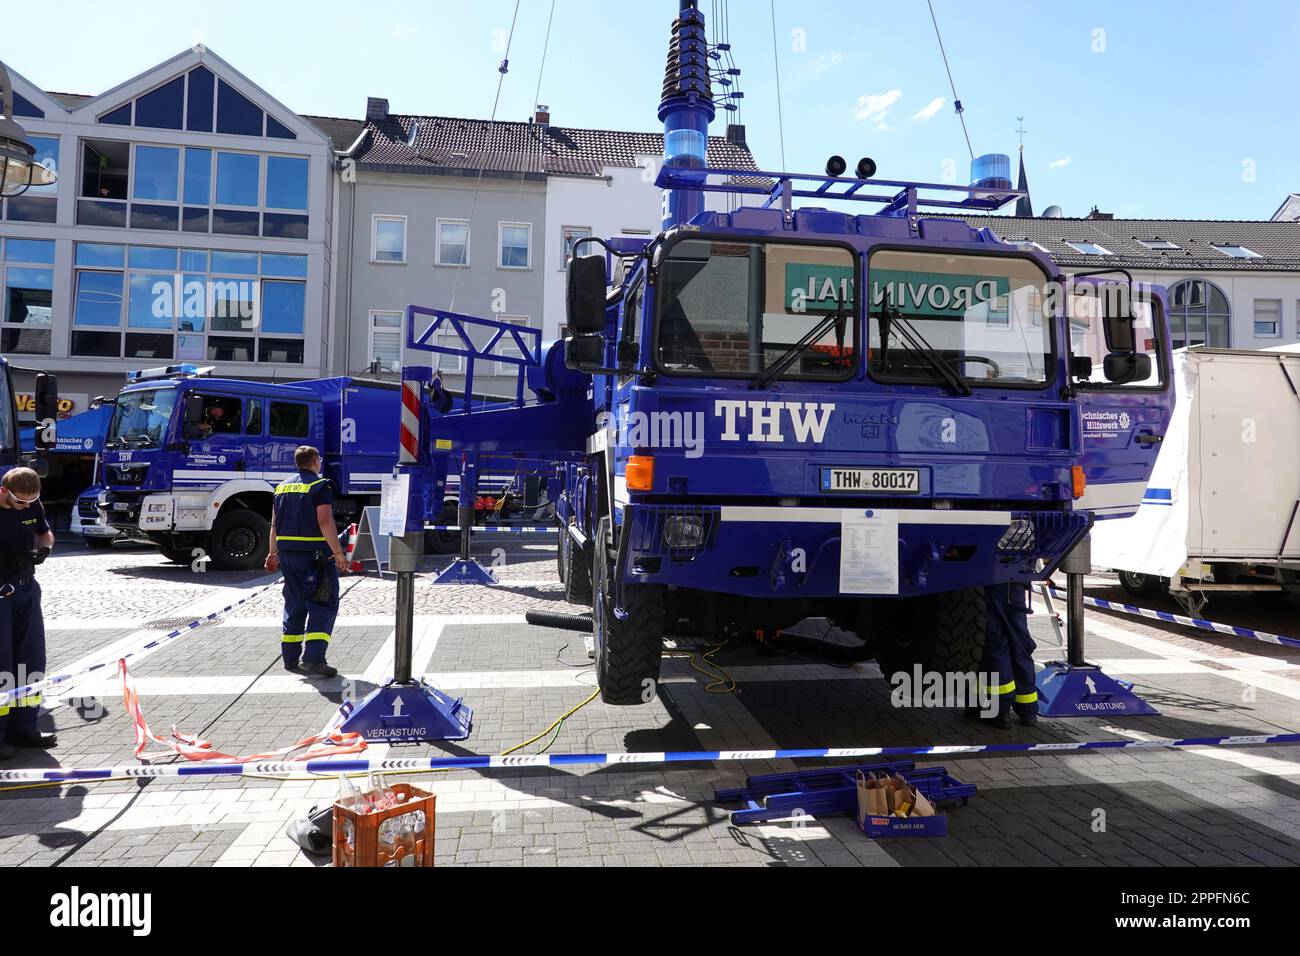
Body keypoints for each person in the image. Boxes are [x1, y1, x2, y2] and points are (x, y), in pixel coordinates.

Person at [265, 446, 347, 679]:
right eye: (319, 459)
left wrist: (272, 554)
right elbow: (324, 519)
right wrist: (338, 553)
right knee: (323, 601)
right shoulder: (320, 486)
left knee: (294, 602)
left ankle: (290, 657)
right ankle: (313, 658)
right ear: (314, 461)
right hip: (315, 556)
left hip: (288, 554)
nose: (320, 462)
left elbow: (274, 524)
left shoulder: (281, 487)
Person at [0, 467, 56, 759]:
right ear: (3, 491)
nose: (25, 506)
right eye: (20, 501)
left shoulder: (32, 504)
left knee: (32, 659)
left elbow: (45, 534)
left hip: (26, 589)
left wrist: (44, 549)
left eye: (30, 501)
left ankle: (25, 727)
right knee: (1, 665)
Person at [970, 582, 1039, 728]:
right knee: (1020, 649)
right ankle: (1028, 713)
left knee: (995, 649)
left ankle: (1001, 712)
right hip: (1016, 587)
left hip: (990, 584)